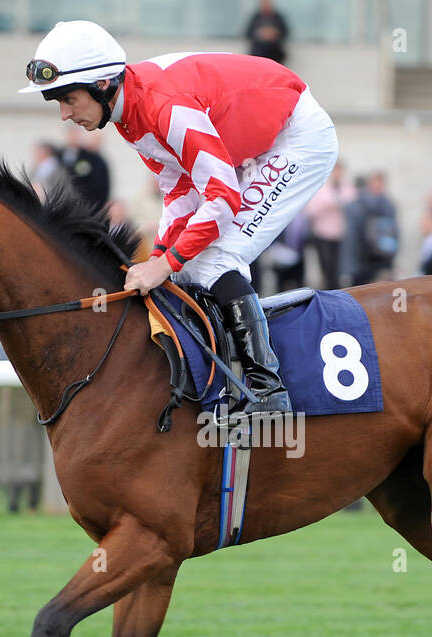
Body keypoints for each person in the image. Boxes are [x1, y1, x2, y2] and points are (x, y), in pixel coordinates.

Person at [21, 20, 339, 419]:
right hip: (253, 141)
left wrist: (165, 264)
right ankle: (216, 380)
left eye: (68, 99)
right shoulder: (128, 114)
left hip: (296, 136)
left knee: (216, 257)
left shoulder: (161, 108)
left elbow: (222, 197)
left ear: (102, 84)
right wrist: (156, 257)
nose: (65, 115)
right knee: (186, 268)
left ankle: (267, 390)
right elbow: (180, 192)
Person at [304, 160, 353, 290]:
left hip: (341, 234)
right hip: (324, 234)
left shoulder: (347, 188)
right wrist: (330, 203)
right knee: (326, 267)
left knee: (338, 269)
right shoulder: (322, 187)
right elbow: (311, 209)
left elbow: (352, 203)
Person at [352, 170, 399, 285]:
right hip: (365, 256)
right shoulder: (360, 203)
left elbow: (394, 230)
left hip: (384, 255)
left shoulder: (389, 204)